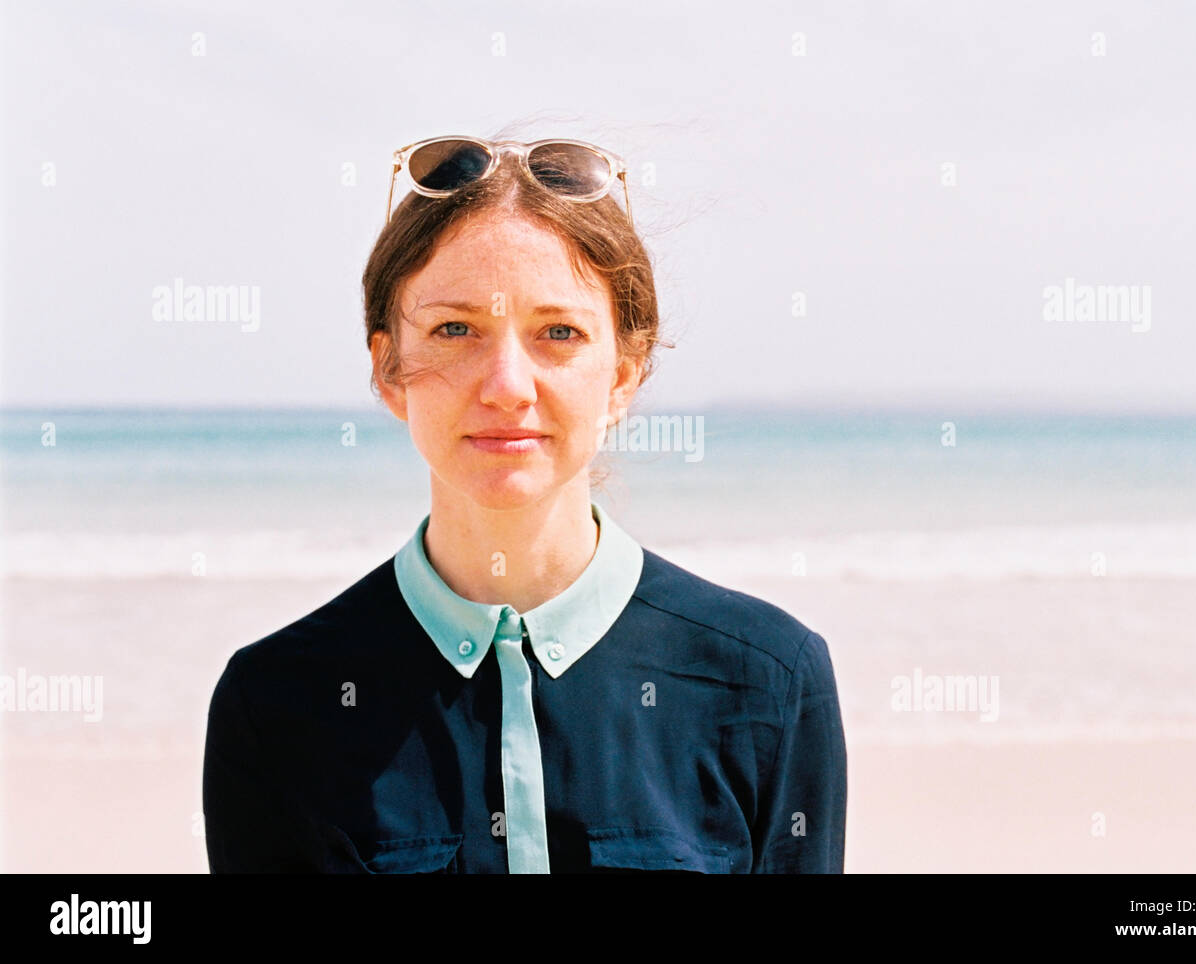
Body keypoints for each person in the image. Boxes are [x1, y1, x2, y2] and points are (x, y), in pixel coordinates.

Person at [202, 134, 848, 873]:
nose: (507, 383)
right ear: (389, 370)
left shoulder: (769, 680)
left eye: (559, 333)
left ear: (622, 377)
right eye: (455, 329)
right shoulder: (277, 705)